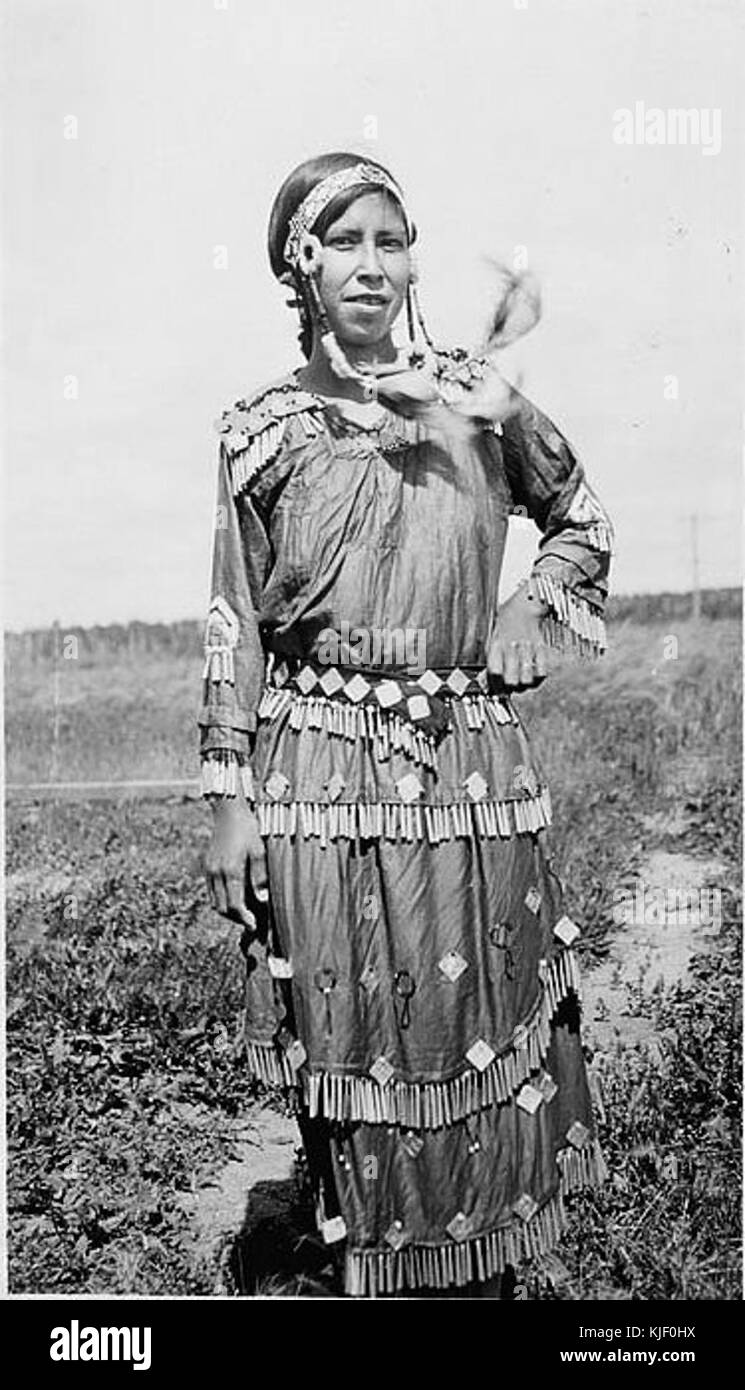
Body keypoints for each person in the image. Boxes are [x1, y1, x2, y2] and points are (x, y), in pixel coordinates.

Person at [200, 151, 613, 1299]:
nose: (372, 266)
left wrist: (531, 599)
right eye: (345, 243)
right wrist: (228, 797)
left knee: (467, 1018)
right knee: (348, 1048)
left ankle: (480, 1279)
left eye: (392, 240)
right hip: (316, 771)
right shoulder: (260, 432)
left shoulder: (475, 395)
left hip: (465, 769)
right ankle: (364, 1261)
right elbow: (234, 617)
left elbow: (580, 519)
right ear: (303, 265)